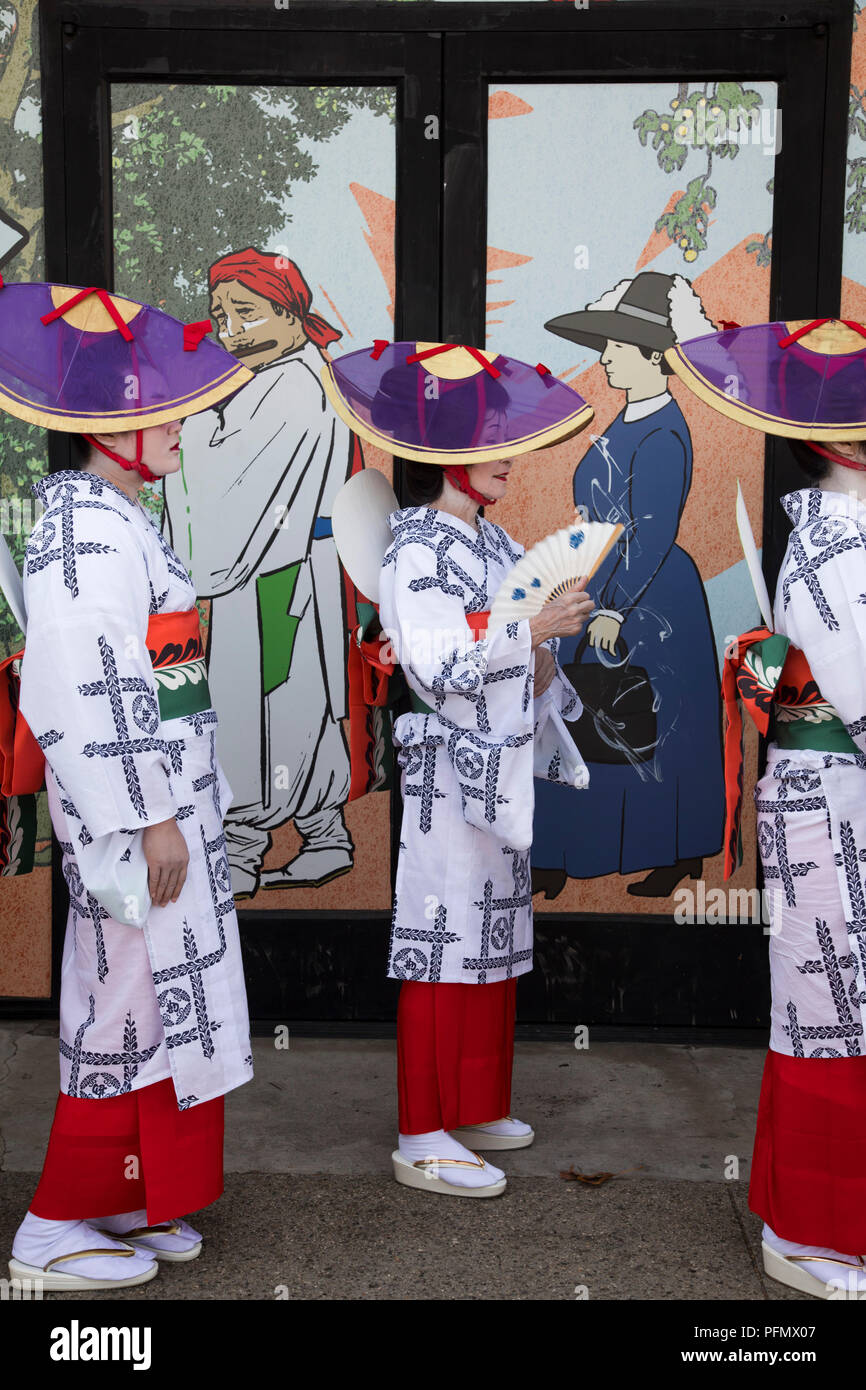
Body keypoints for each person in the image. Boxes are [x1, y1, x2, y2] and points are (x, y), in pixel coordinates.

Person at [0, 282, 254, 1290]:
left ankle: (130, 1194)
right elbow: (90, 680)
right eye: (165, 408)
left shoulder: (112, 515)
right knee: (121, 997)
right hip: (132, 805)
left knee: (156, 993)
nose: (181, 423)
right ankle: (55, 1221)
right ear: (111, 425)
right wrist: (147, 817)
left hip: (161, 792)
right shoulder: (86, 532)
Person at [324, 340, 595, 1196]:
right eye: (493, 441)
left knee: (491, 933)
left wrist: (547, 651)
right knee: (441, 940)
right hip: (449, 772)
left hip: (499, 758)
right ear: (444, 456)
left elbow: (516, 650)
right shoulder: (415, 549)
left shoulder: (488, 537)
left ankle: (472, 1100)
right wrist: (532, 631)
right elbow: (436, 664)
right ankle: (420, 1130)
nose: (510, 455)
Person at [667, 315, 866, 1297]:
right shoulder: (832, 543)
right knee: (825, 1012)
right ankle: (803, 1231)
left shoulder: (841, 533)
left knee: (838, 1011)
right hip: (830, 802)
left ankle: (827, 1215)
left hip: (839, 795)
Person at [164, 248, 360, 897]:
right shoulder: (292, 375)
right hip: (286, 572)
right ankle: (324, 834)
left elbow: (227, 487)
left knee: (263, 706)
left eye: (244, 313)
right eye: (220, 317)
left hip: (280, 578)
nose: (229, 332)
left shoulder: (295, 385)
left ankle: (243, 850)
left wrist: (192, 422)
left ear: (290, 312)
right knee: (297, 704)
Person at [533, 272, 724, 899]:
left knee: (646, 726)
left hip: (648, 592)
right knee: (577, 714)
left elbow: (653, 530)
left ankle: (675, 853)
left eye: (617, 349)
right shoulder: (624, 421)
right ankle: (561, 852)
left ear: (653, 357)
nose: (606, 358)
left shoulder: (665, 430)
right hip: (598, 577)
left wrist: (615, 609)